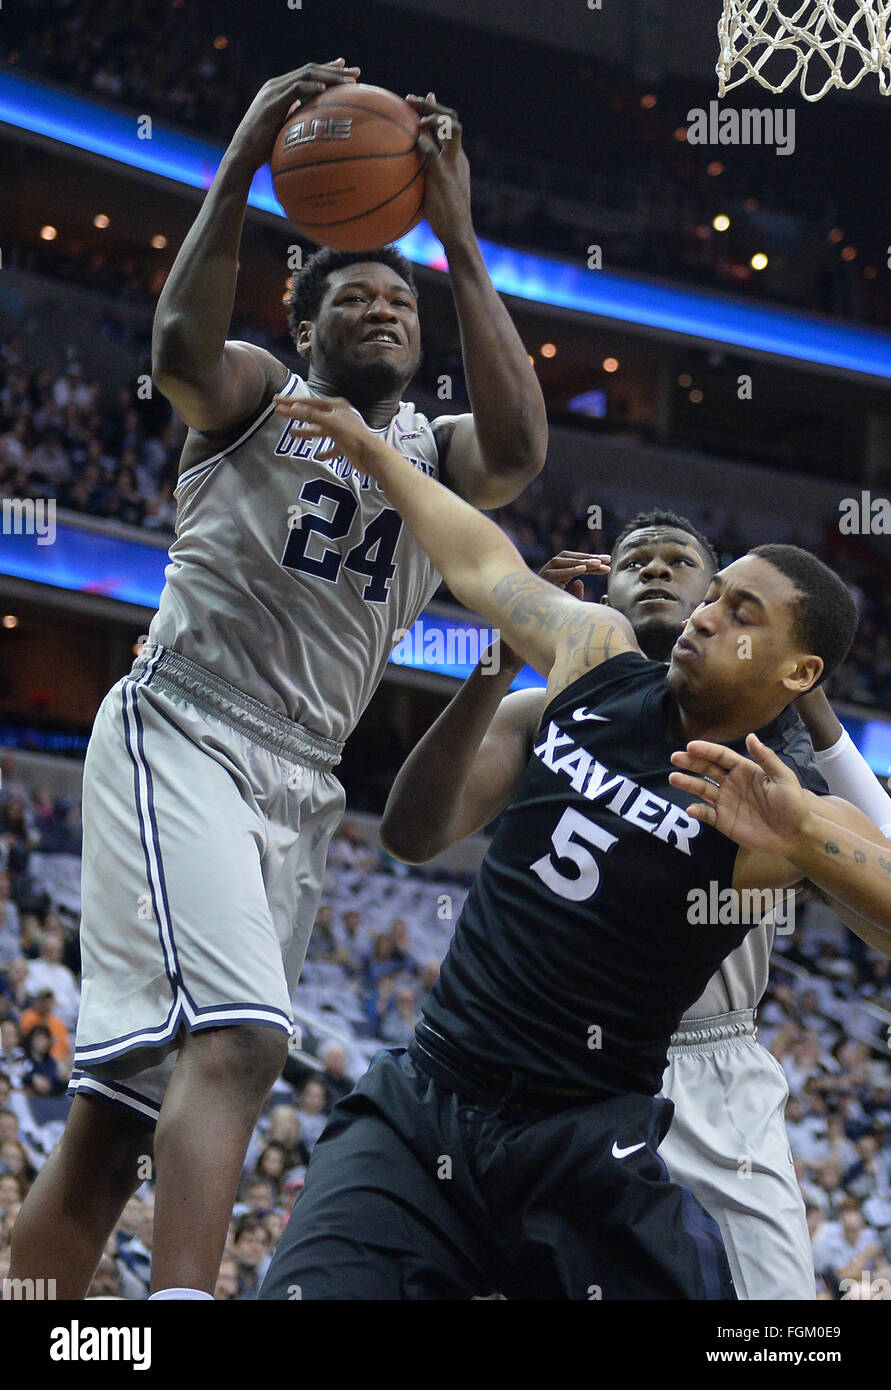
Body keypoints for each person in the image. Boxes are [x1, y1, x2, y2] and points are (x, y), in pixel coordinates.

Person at [9, 60, 545, 1303]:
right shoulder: (258, 392)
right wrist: (246, 155)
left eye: (396, 301)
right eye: (352, 295)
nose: (381, 311)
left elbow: (520, 448)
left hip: (303, 785)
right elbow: (181, 348)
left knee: (112, 1119)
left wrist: (455, 233)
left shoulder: (436, 457)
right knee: (243, 1037)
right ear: (304, 327)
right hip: (186, 725)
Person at [257, 393, 891, 1300]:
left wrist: (800, 836)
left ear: (797, 673)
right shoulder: (594, 657)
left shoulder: (777, 810)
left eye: (739, 610)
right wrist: (376, 454)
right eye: (712, 597)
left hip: (584, 1143)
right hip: (429, 1097)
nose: (707, 616)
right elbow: (481, 560)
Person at [376, 521, 891, 1300]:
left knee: (773, 1315)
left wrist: (809, 697)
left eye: (687, 567)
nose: (655, 572)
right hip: (550, 1071)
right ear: (598, 601)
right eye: (631, 561)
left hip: (711, 1063)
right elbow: (411, 835)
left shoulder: (772, 770)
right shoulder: (550, 711)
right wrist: (504, 649)